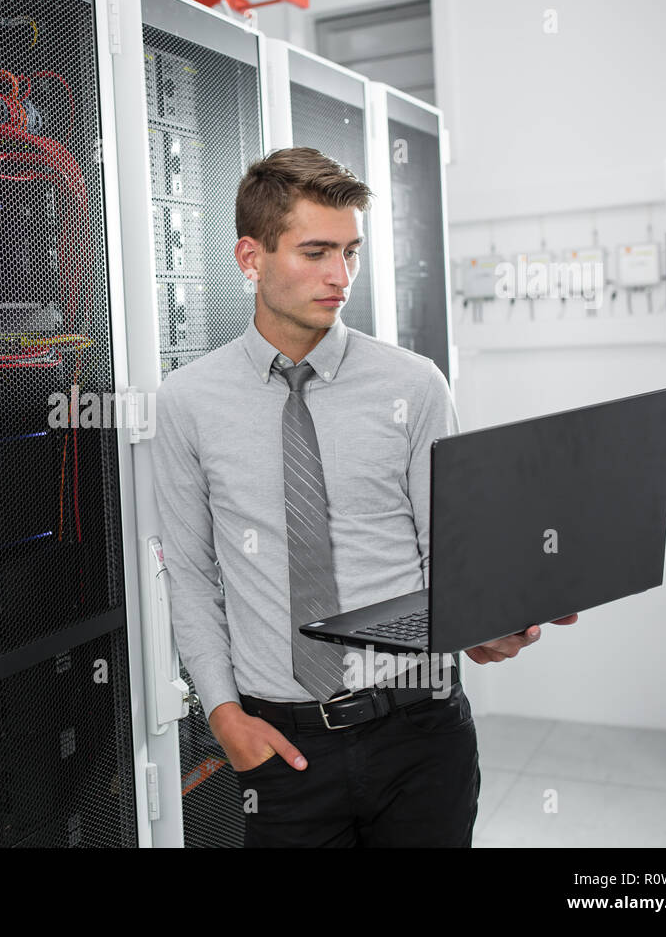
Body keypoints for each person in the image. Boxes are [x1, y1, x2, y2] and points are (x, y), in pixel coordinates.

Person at [151, 147, 577, 847]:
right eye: (316, 251)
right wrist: (223, 714)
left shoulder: (414, 385)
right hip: (282, 748)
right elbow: (192, 576)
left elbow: (451, 552)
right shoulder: (189, 402)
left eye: (351, 252)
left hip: (420, 729)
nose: (340, 276)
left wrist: (486, 627)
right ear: (249, 256)